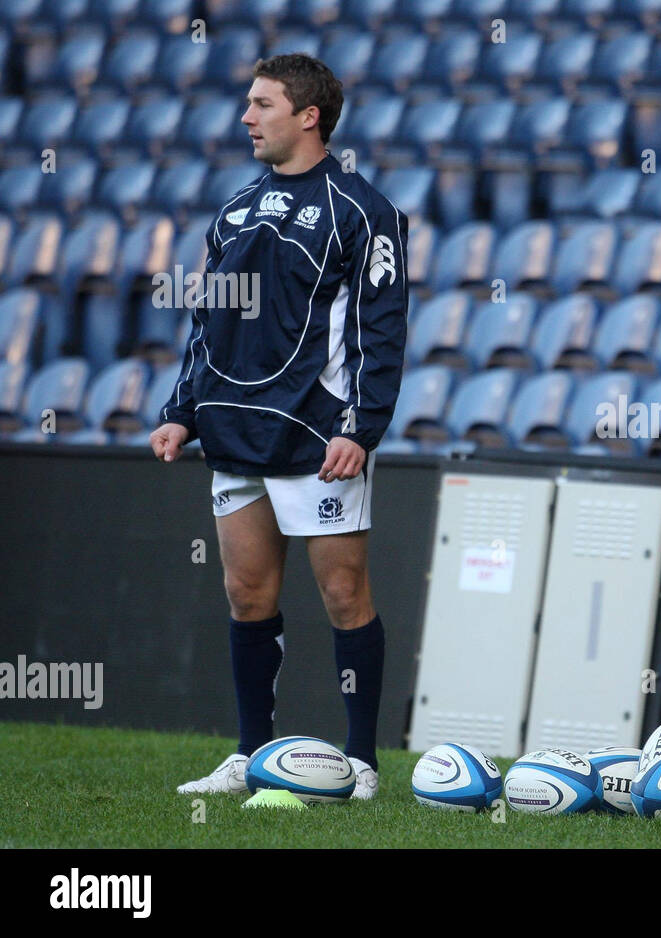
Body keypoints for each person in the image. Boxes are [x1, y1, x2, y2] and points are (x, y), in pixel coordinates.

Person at [151, 54, 408, 800]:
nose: (246, 117)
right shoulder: (232, 210)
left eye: (261, 104)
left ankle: (360, 762)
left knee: (342, 597)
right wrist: (181, 410)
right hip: (234, 433)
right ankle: (251, 755)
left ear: (309, 116)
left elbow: (379, 330)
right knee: (246, 595)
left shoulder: (364, 212)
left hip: (317, 437)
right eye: (247, 104)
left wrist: (361, 428)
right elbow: (209, 324)